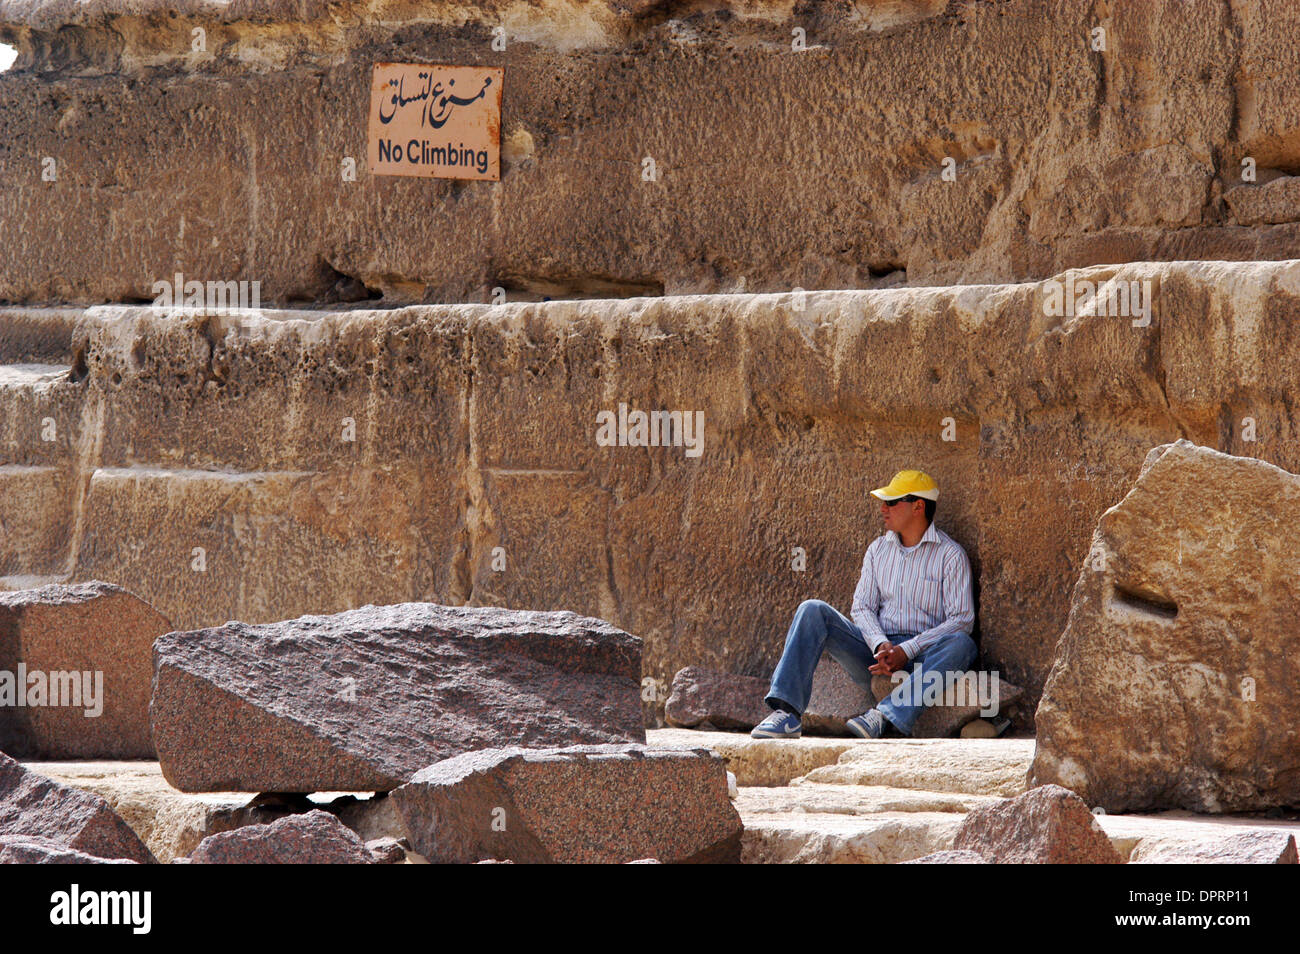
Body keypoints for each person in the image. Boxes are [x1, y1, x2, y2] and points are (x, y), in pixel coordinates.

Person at [751, 469, 976, 740]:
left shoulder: (951, 555)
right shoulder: (878, 550)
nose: (883, 509)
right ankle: (787, 714)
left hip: (923, 658)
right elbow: (861, 607)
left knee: (962, 644)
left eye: (891, 502)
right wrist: (880, 644)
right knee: (811, 610)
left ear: (918, 506)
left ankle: (883, 717)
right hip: (874, 656)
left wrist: (907, 650)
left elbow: (962, 620)